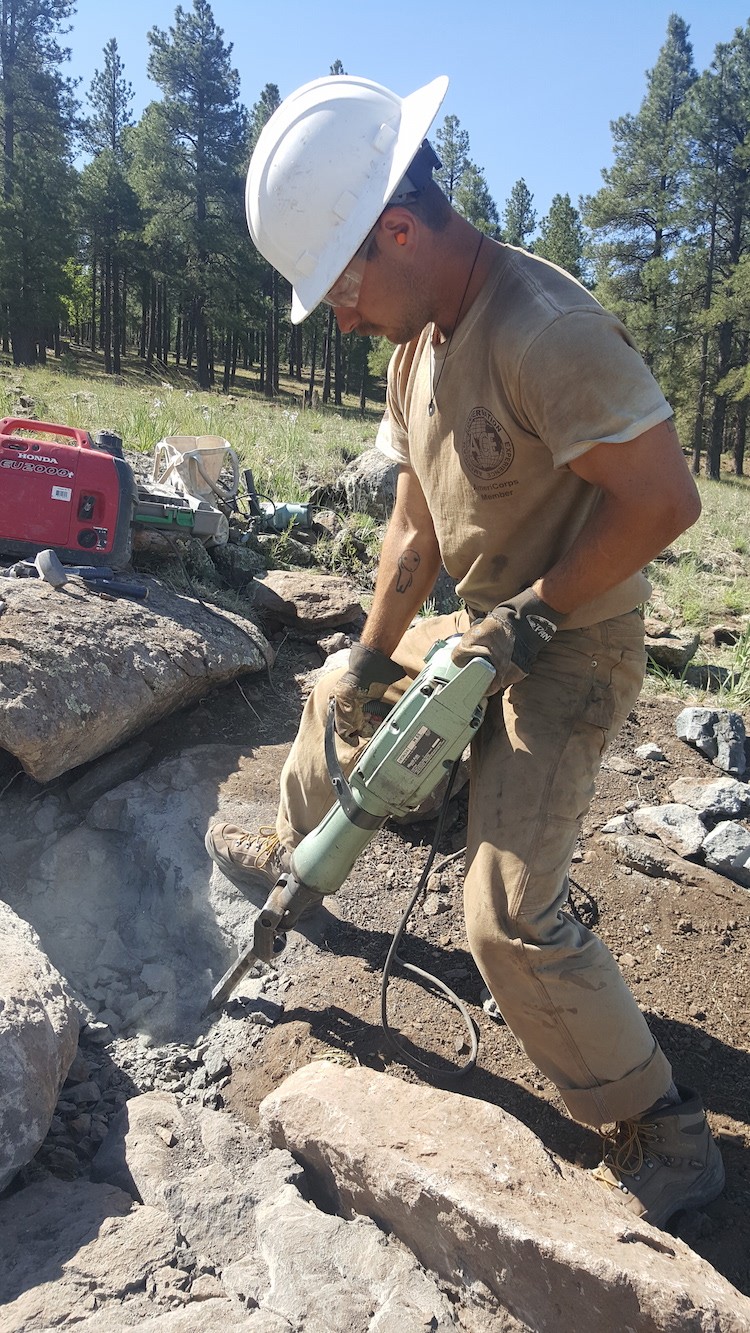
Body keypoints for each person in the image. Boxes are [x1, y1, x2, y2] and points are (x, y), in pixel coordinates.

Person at [206, 74, 725, 1229]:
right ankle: (297, 858)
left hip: (573, 640)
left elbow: (661, 501)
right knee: (326, 692)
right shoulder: (419, 346)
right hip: (491, 615)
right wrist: (366, 662)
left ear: (398, 229)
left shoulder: (548, 331)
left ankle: (663, 1124)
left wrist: (528, 621)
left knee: (500, 916)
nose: (339, 316)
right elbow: (414, 524)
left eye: (342, 286)